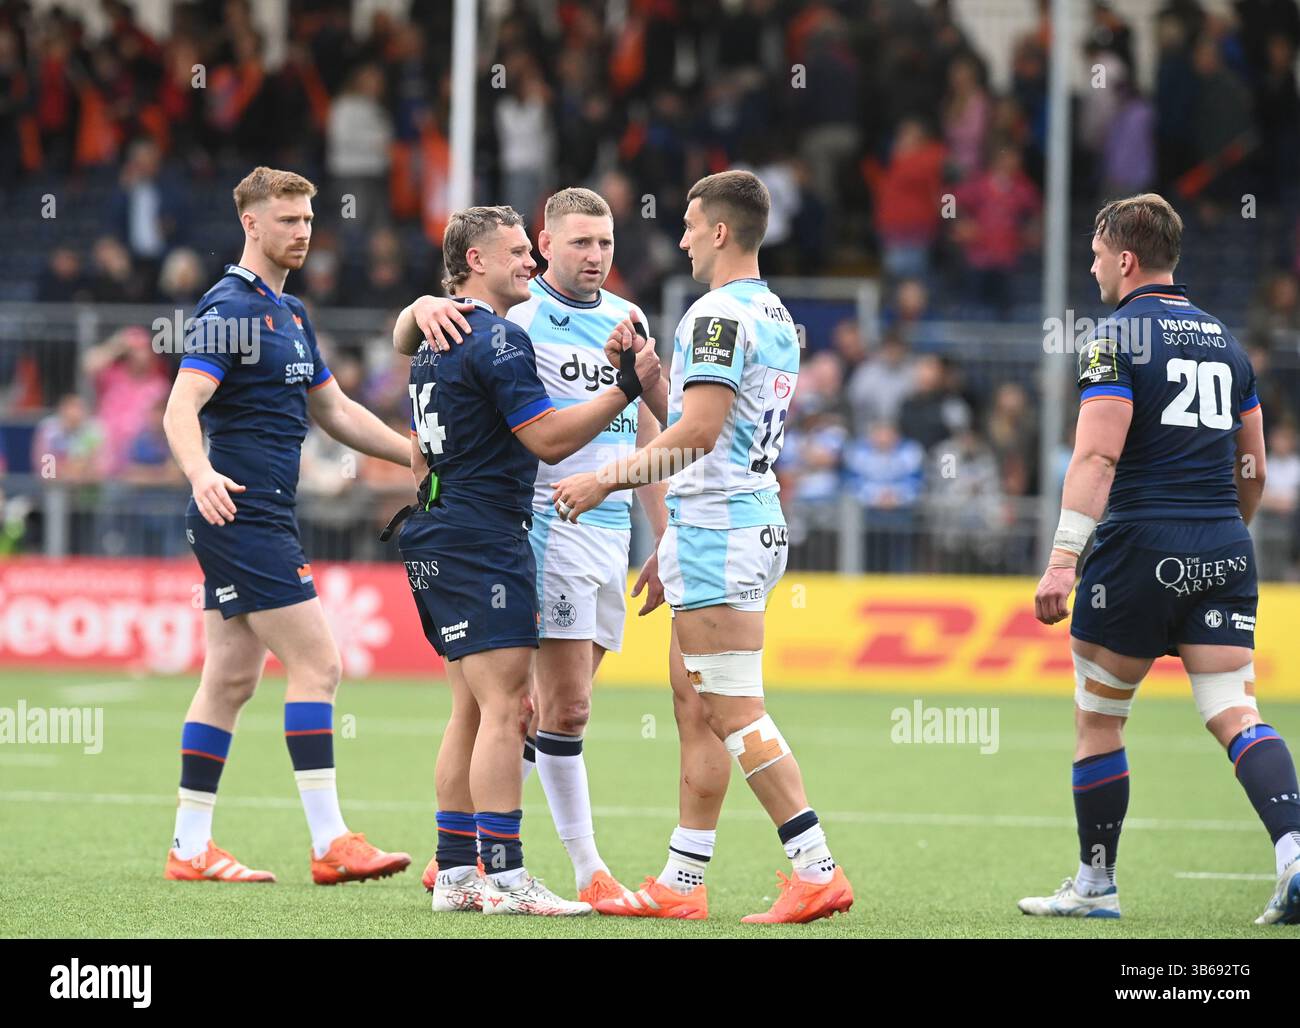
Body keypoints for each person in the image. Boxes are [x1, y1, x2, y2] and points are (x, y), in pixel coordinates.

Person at [551, 170, 855, 923]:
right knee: (696, 705)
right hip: (732, 517)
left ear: (720, 231)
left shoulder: (715, 314)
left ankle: (816, 867)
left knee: (734, 709)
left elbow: (697, 436)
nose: (681, 239)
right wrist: (648, 378)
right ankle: (682, 882)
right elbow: (709, 425)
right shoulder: (771, 312)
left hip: (720, 526)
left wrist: (604, 482)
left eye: (689, 226)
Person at [1022, 193, 1300, 925]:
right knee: (1234, 709)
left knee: (1100, 721)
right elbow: (1255, 471)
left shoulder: (1115, 338)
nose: (1090, 267)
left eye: (1094, 254)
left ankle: (1095, 884)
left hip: (1139, 548)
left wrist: (1061, 561)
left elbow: (1097, 454)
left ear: (1125, 258)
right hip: (1223, 546)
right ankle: (1296, 855)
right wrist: (1220, 537)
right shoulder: (1226, 342)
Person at [394, 187, 668, 910]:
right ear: (544, 246)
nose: (596, 255)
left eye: (606, 242)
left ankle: (457, 865)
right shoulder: (509, 326)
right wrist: (618, 388)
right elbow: (546, 436)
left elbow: (655, 430)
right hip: (522, 529)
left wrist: (660, 533)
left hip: (483, 529)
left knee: (495, 710)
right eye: (577, 242)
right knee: (528, 709)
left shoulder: (623, 318)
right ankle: (526, 870)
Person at [161, 166, 414, 885]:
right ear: (251, 222)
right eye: (288, 220)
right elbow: (181, 409)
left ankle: (189, 847)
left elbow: (334, 412)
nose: (302, 232)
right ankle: (331, 840)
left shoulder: (293, 315)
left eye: (308, 220)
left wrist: (411, 456)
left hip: (259, 513)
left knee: (230, 680)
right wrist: (202, 473)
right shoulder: (229, 311)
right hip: (239, 512)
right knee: (320, 664)